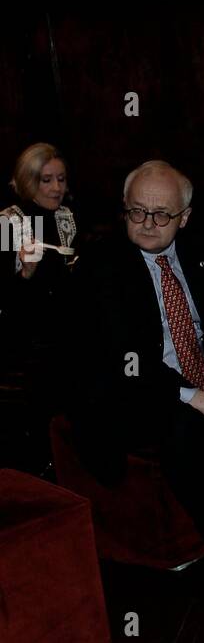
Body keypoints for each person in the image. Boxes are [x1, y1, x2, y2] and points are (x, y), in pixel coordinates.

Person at [70, 160, 204, 598]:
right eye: (137, 212)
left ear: (185, 217)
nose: (148, 224)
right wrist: (203, 399)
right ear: (124, 209)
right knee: (181, 424)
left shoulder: (203, 251)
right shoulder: (102, 266)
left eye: (161, 215)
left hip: (200, 375)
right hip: (125, 393)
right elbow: (126, 361)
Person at [0, 143, 80, 470]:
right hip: (23, 334)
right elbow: (4, 289)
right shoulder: (8, 221)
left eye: (61, 179)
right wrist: (24, 270)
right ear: (28, 181)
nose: (57, 188)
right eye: (47, 180)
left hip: (63, 328)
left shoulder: (66, 217)